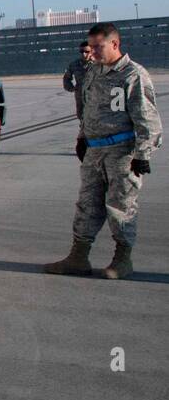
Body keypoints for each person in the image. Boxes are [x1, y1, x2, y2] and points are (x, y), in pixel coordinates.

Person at [46, 24, 160, 280]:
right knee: (87, 204)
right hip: (95, 151)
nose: (92, 52)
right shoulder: (93, 72)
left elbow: (148, 119)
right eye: (90, 47)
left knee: (120, 205)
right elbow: (88, 109)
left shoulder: (133, 75)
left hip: (122, 151)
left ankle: (122, 259)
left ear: (115, 45)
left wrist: (143, 154)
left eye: (98, 47)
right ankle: (78, 257)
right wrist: (82, 137)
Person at [63, 41, 94, 122]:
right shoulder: (74, 64)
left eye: (86, 52)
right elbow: (66, 78)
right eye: (82, 52)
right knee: (82, 118)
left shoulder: (99, 63)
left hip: (95, 96)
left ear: (91, 51)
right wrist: (72, 88)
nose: (84, 54)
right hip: (80, 97)